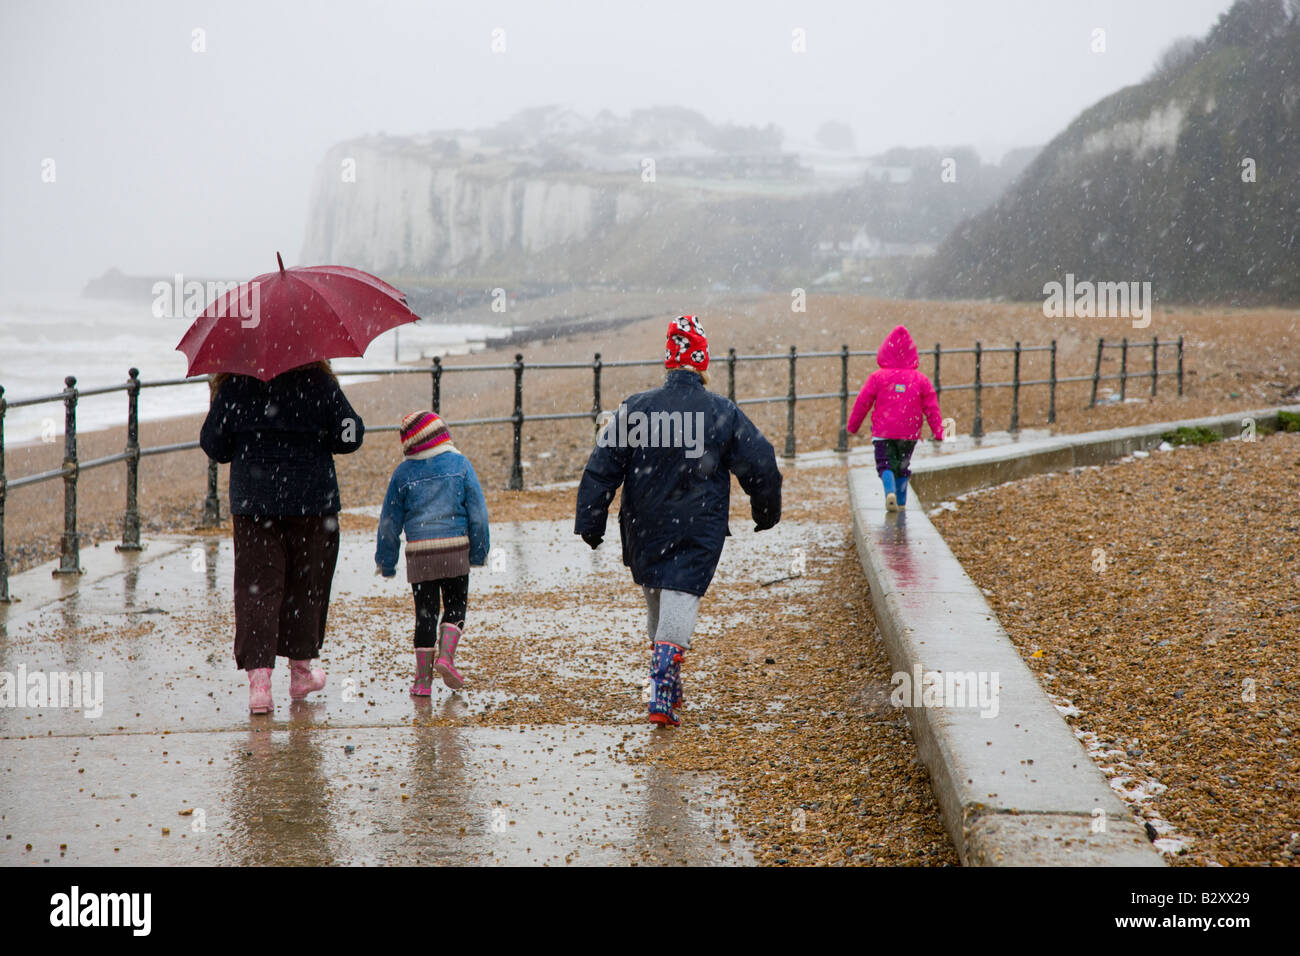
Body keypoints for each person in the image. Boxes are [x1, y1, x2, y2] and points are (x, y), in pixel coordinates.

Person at [575, 315, 783, 728]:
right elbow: (761, 463)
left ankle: (666, 679)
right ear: (702, 362)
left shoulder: (636, 408)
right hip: (697, 525)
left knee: (657, 590)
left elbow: (602, 467)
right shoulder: (720, 411)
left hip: (643, 522)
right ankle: (663, 688)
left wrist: (591, 520)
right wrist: (765, 511)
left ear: (668, 361)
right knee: (681, 594)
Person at [199, 360, 364, 714]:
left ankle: (260, 686)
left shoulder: (235, 385)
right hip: (312, 502)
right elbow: (350, 435)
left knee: (257, 587)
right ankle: (301, 673)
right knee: (307, 584)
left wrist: (223, 404)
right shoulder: (318, 380)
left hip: (254, 503)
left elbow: (215, 447)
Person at [376, 410, 490, 695]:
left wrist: (386, 562)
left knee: (424, 615)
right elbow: (478, 515)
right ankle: (446, 658)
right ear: (442, 435)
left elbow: (389, 522)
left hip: (420, 555)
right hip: (454, 550)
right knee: (455, 607)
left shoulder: (402, 474)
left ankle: (422, 682)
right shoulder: (460, 464)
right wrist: (478, 552)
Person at [846, 324, 944, 511]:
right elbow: (932, 407)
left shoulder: (877, 377)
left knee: (885, 464)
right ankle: (901, 502)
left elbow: (862, 403)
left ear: (885, 351)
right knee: (902, 466)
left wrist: (853, 426)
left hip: (884, 431)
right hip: (909, 432)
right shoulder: (920, 379)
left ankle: (889, 492)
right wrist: (938, 431)